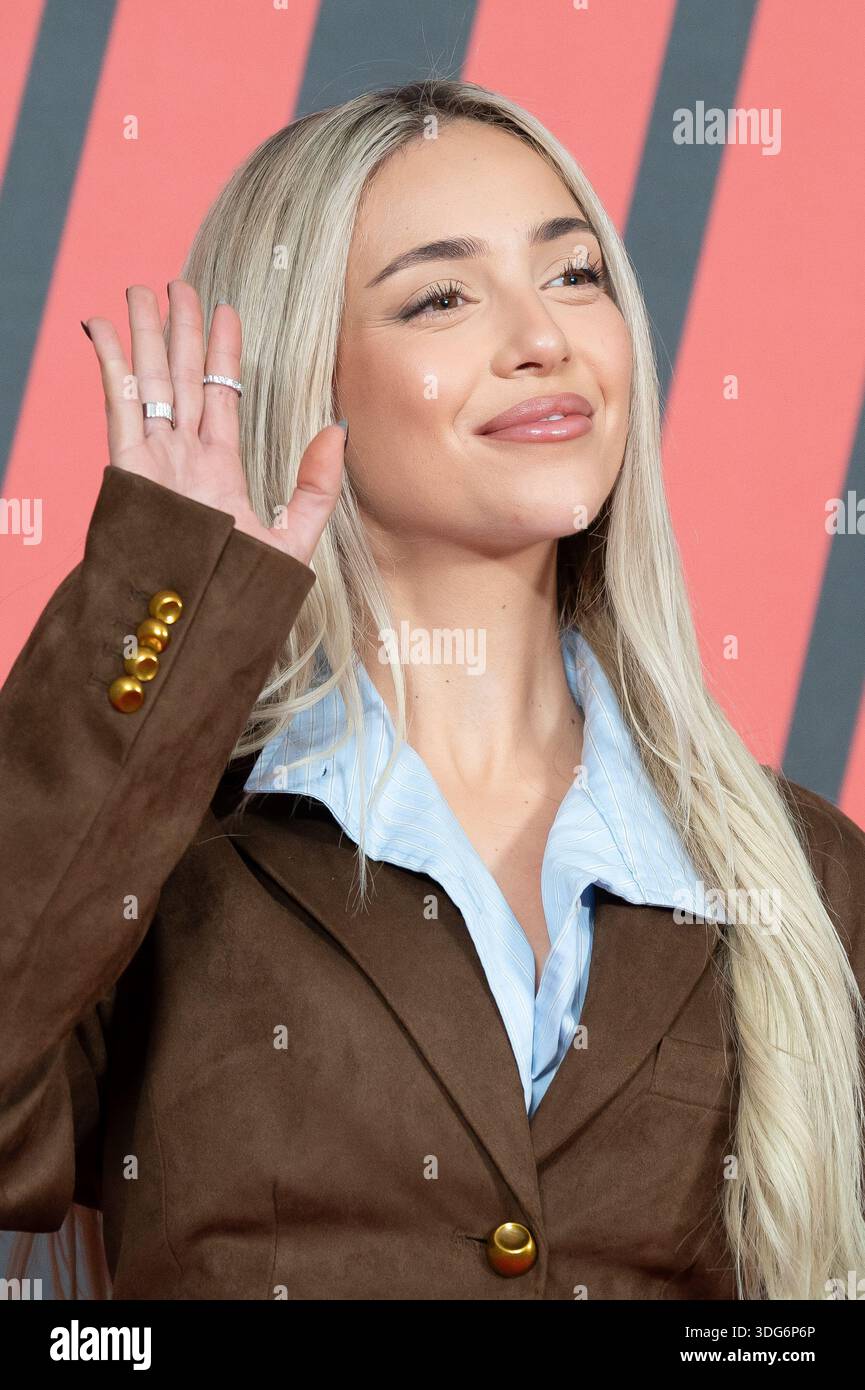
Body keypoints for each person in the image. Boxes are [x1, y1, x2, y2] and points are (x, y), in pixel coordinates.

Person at [1, 79, 864, 1301]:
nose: (543, 337)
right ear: (310, 376)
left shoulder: (809, 875)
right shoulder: (156, 850)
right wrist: (157, 595)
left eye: (573, 276)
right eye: (442, 296)